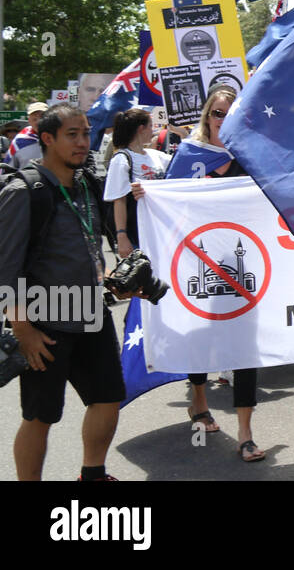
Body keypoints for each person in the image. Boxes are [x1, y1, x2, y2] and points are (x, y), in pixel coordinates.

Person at [0, 105, 127, 480]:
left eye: (86, 133)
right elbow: (5, 268)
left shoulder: (88, 184)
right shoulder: (25, 190)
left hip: (91, 311)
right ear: (47, 139)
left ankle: (92, 474)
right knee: (40, 416)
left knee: (107, 398)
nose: (83, 142)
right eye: (72, 134)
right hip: (44, 319)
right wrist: (22, 328)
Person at [179, 86, 265, 462]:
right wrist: (144, 194)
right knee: (201, 338)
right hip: (198, 262)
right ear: (206, 116)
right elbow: (171, 200)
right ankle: (198, 400)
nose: (222, 120)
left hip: (244, 264)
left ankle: (245, 433)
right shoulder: (189, 155)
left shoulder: (252, 154)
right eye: (216, 113)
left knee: (246, 347)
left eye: (229, 114)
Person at [102, 109, 170, 264]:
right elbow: (119, 200)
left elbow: (182, 163)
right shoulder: (121, 159)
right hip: (137, 232)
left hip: (160, 231)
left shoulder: (156, 156)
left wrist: (183, 134)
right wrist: (121, 235)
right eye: (150, 126)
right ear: (141, 128)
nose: (153, 131)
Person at [3, 103, 48, 169]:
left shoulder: (58, 138)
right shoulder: (19, 141)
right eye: (34, 119)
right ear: (29, 120)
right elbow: (7, 170)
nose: (39, 122)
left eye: (42, 117)